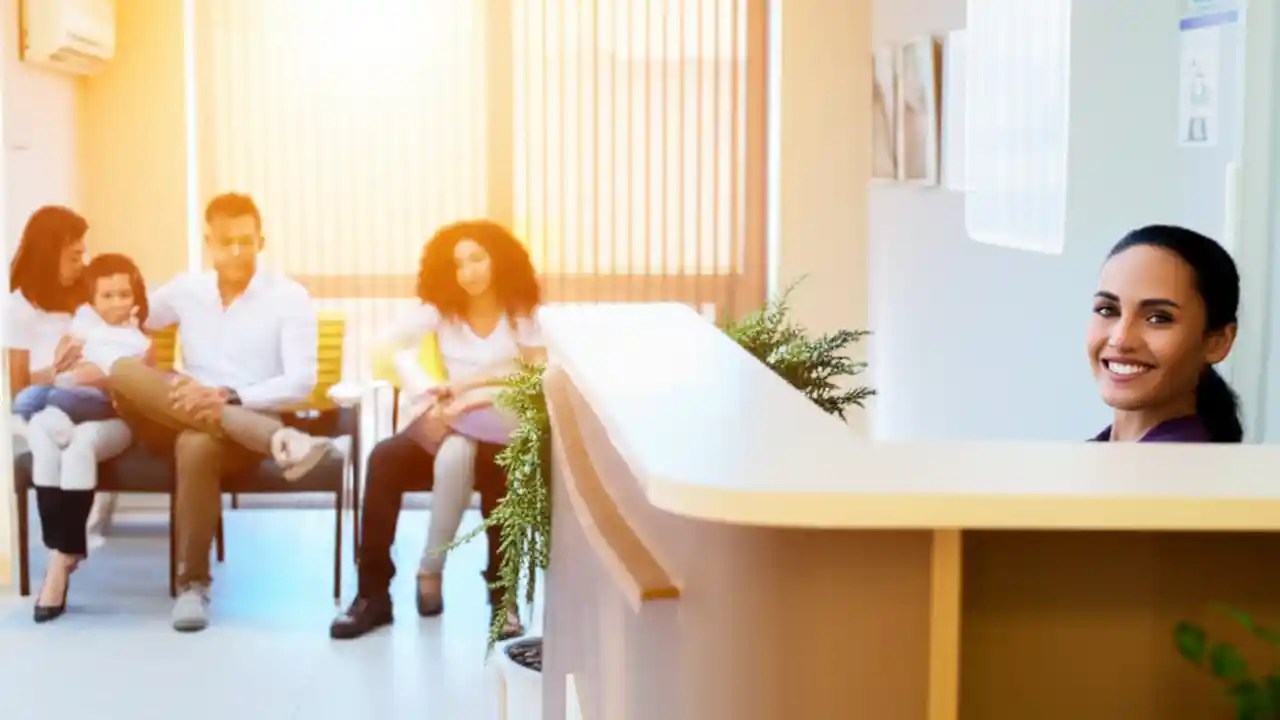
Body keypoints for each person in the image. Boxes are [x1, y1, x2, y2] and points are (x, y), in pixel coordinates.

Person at [105, 192, 335, 633]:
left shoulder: (289, 297)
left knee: (196, 443)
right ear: (208, 242)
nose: (235, 252)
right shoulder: (184, 290)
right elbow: (127, 316)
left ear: (261, 241)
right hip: (184, 412)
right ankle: (286, 445)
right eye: (226, 241)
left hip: (240, 425)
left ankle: (191, 586)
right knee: (122, 369)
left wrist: (229, 397)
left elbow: (301, 382)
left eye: (245, 241)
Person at [329, 219, 544, 641]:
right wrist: (426, 392)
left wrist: (475, 391)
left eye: (477, 259)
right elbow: (383, 348)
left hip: (499, 422)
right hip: (450, 420)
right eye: (458, 264)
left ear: (498, 259)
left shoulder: (521, 315)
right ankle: (373, 596)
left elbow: (535, 376)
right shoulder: (439, 313)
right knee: (385, 459)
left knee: (494, 460)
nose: (468, 272)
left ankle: (501, 599)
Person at [5, 206, 92, 621]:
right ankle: (64, 554)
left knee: (72, 443)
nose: (82, 264)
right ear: (49, 252)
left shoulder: (87, 299)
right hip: (46, 405)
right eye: (74, 256)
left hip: (92, 401)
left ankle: (59, 564)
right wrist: (57, 367)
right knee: (47, 437)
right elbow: (20, 388)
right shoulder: (19, 308)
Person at [1087, 225, 1242, 443]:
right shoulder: (1100, 460)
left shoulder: (1181, 473)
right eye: (1107, 310)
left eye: (1158, 318)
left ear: (1217, 342)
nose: (1120, 338)